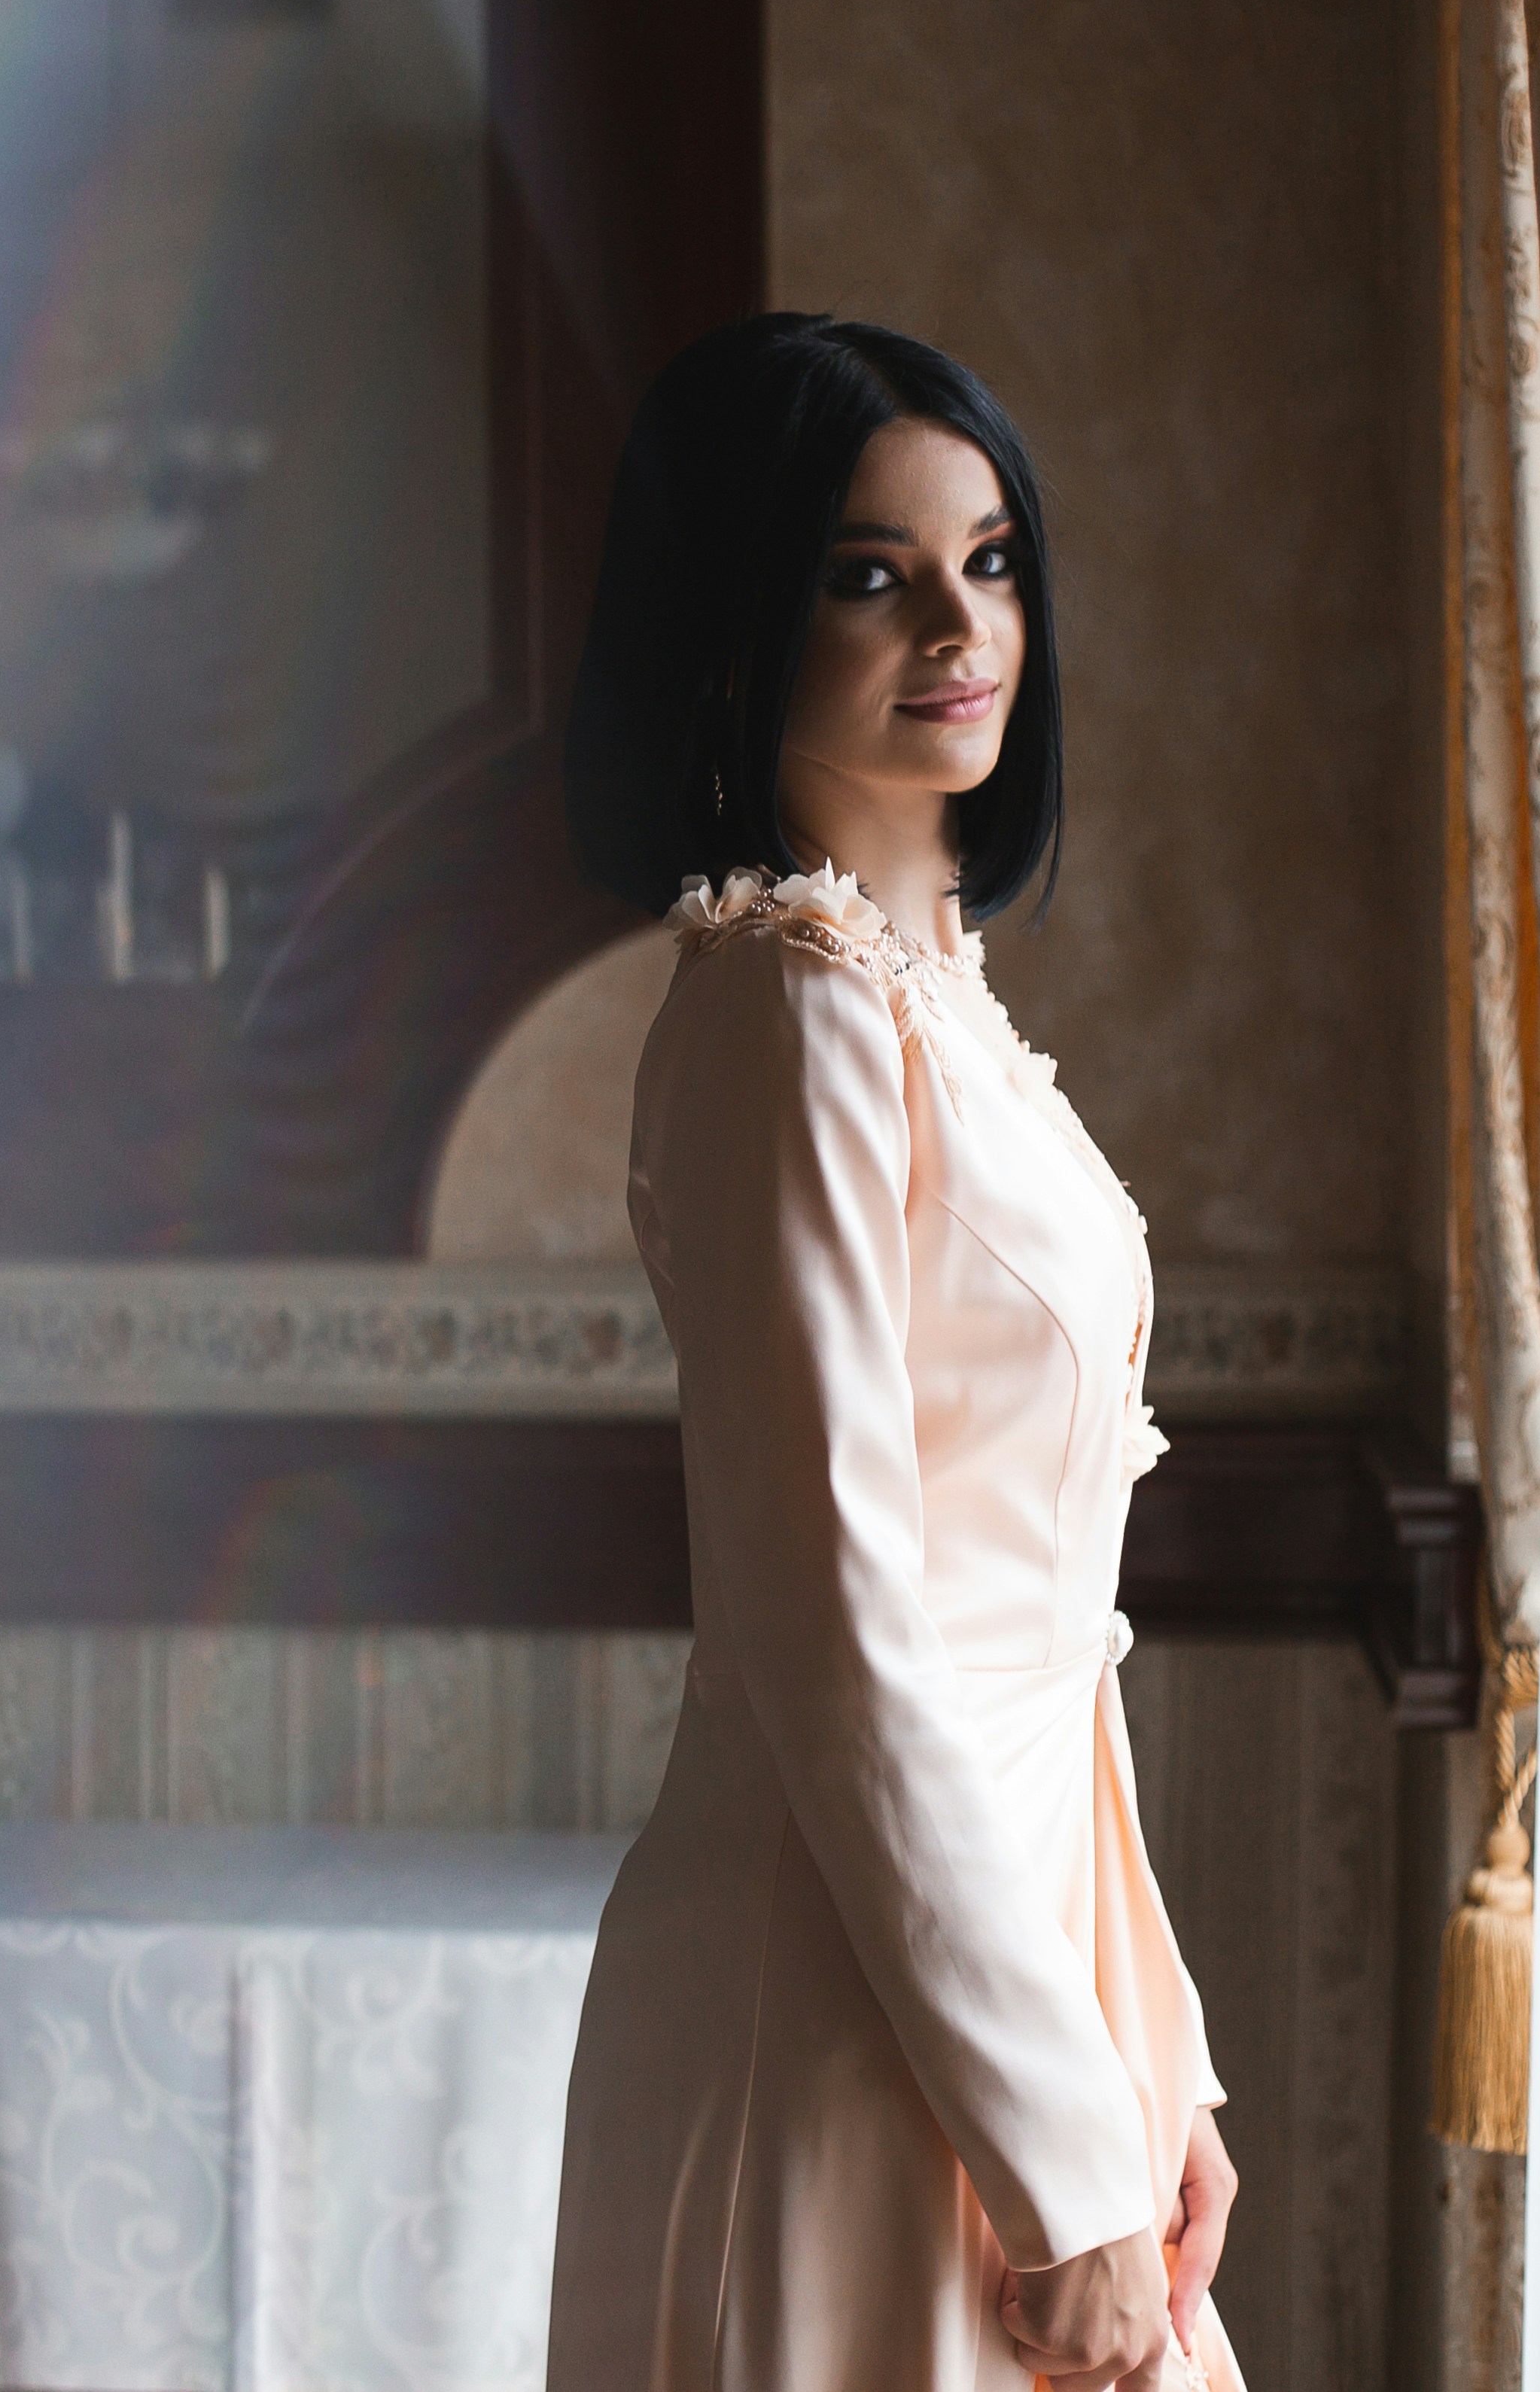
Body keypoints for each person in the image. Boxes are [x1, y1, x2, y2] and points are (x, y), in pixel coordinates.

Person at [544, 313, 1240, 2392]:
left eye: (993, 558)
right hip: (851, 2002)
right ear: (742, 616)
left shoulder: (921, 994)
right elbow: (845, 1637)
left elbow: (1043, 1630)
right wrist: (1063, 2161)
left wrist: (1160, 2058)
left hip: (1017, 1963)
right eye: (872, 571)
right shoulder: (793, 1020)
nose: (962, 622)